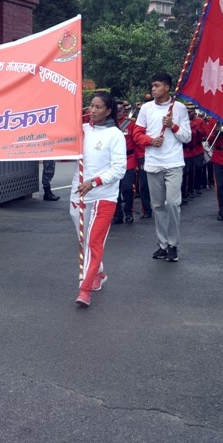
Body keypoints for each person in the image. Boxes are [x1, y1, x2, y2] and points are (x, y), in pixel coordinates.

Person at [69, 91, 126, 308]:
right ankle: (98, 273)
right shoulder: (82, 130)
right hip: (79, 194)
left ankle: (84, 289)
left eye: (98, 107)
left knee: (93, 241)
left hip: (104, 197)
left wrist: (94, 182)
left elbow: (119, 169)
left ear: (108, 111)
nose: (92, 110)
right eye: (91, 106)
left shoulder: (115, 135)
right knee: (84, 240)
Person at [133, 73, 191, 263]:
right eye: (152, 86)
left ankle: (173, 244)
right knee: (157, 206)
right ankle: (163, 244)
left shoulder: (179, 108)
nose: (153, 89)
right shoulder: (146, 108)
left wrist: (172, 125)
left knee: (172, 203)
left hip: (173, 163)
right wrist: (150, 141)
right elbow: (137, 134)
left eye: (157, 85)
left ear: (167, 87)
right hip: (153, 163)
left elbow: (187, 137)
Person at [112, 101, 138, 225]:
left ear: (124, 111)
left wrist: (139, 161)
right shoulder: (108, 124)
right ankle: (117, 215)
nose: (118, 113)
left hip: (129, 160)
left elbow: (136, 143)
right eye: (116, 111)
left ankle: (128, 212)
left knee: (127, 188)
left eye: (120, 110)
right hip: (113, 161)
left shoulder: (131, 124)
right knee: (114, 190)